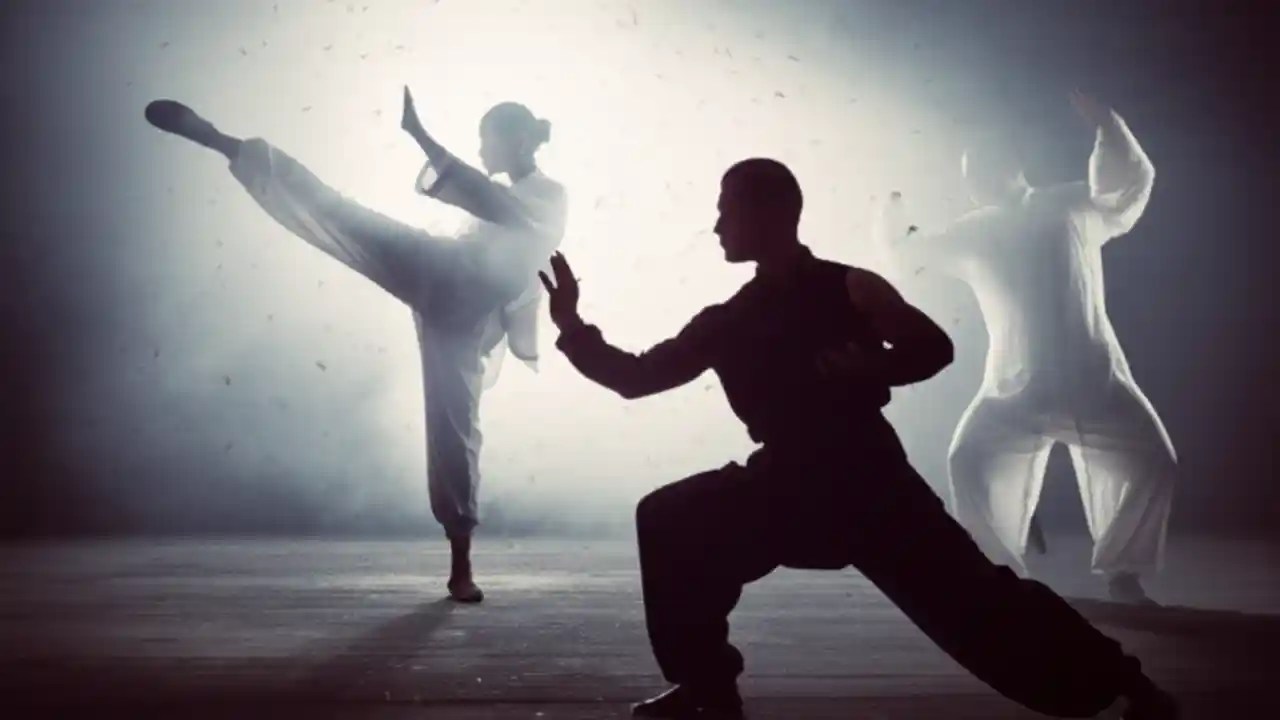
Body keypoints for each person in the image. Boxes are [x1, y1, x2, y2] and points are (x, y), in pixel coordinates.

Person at [539, 158, 1177, 719]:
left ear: (770, 213)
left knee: (982, 604)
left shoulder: (852, 286)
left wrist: (877, 367)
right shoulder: (727, 321)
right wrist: (571, 326)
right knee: (670, 518)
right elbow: (636, 377)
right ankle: (708, 689)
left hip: (869, 485)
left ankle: (1126, 681)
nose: (715, 227)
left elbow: (934, 347)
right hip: (787, 486)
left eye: (725, 211)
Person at [144, 87, 567, 603]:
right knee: (343, 214)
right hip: (439, 275)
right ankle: (221, 141)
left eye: (487, 140)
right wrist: (425, 147)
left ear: (519, 139)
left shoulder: (546, 196)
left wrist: (422, 137)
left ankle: (461, 566)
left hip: (465, 313)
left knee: (456, 433)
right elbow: (480, 202)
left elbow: (499, 208)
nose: (481, 151)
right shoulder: (487, 202)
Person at [872, 91, 1175, 604]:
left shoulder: (1071, 205)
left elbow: (1123, 190)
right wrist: (892, 205)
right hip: (1014, 391)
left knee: (1155, 462)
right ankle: (995, 574)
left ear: (1012, 166)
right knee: (966, 459)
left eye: (983, 167)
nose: (974, 180)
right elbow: (907, 255)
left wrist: (1110, 128)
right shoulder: (973, 231)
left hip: (1094, 379)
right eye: (969, 172)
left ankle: (1123, 572)